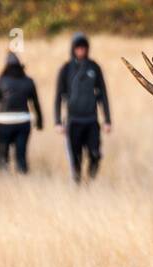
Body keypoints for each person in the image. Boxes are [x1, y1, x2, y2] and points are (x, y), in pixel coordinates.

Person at [55, 33, 111, 182]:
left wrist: (107, 120)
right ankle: (79, 184)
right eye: (78, 48)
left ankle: (90, 179)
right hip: (73, 121)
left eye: (83, 48)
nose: (81, 51)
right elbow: (58, 97)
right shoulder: (66, 69)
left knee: (95, 154)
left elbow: (103, 95)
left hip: (91, 120)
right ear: (73, 49)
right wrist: (58, 122)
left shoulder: (94, 67)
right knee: (75, 158)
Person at [0, 52, 43, 173]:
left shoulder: (0, 81)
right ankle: (22, 177)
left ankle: (4, 177)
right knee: (21, 155)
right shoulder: (28, 81)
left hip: (3, 122)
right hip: (23, 122)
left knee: (2, 155)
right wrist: (39, 121)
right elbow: (35, 103)